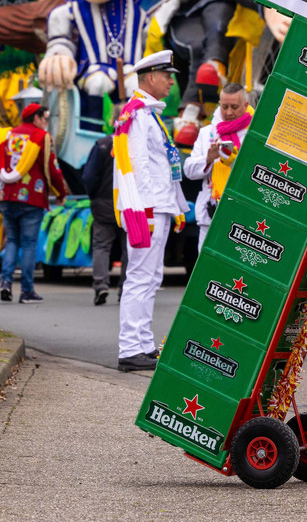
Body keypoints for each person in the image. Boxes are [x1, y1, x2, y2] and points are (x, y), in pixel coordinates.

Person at [113, 50, 187, 372]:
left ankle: (142, 344)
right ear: (150, 77)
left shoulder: (148, 113)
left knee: (151, 277)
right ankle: (131, 347)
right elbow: (137, 166)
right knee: (140, 277)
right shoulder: (139, 115)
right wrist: (141, 212)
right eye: (167, 76)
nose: (171, 81)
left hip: (158, 206)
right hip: (148, 208)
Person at [0, 102, 66, 304]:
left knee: (12, 241)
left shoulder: (5, 136)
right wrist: (61, 192)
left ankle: (5, 283)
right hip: (32, 196)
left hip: (6, 195)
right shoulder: (41, 137)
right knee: (29, 243)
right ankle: (26, 290)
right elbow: (52, 168)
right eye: (44, 119)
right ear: (36, 118)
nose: (46, 123)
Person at [181, 83, 252, 250]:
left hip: (242, 215)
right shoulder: (207, 132)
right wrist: (208, 159)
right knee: (205, 264)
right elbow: (188, 170)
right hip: (211, 213)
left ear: (245, 105)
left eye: (234, 107)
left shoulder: (254, 133)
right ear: (219, 105)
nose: (229, 112)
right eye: (225, 107)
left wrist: (233, 160)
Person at [82, 132, 125, 306]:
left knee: (101, 246)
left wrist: (94, 196)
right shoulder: (135, 143)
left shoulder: (102, 145)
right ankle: (125, 288)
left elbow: (89, 176)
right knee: (129, 249)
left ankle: (101, 286)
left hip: (103, 205)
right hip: (128, 206)